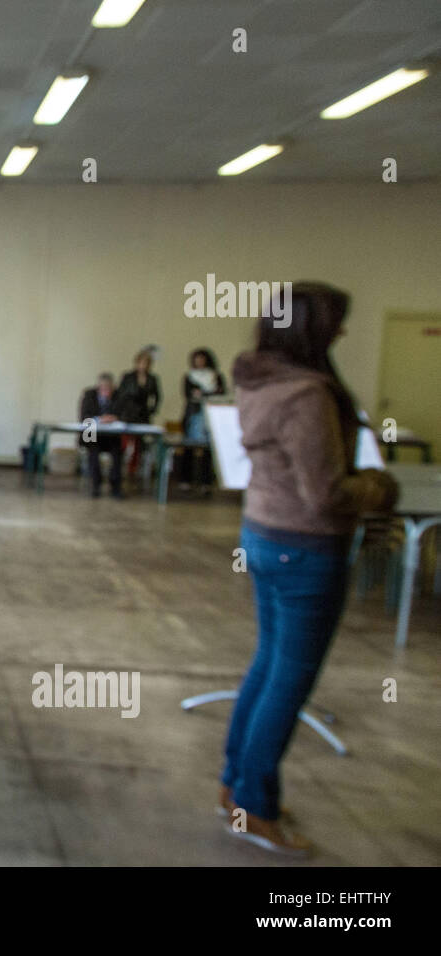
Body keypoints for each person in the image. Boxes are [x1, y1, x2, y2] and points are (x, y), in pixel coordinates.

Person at [218, 282, 399, 857]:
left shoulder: (260, 380)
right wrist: (378, 487)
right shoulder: (307, 394)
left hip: (265, 535)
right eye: (337, 322)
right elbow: (326, 493)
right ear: (312, 329)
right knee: (288, 682)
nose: (343, 331)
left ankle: (237, 786)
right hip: (306, 547)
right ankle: (253, 808)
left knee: (269, 667)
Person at [178, 348, 226, 490]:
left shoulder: (216, 376)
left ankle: (206, 482)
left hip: (210, 415)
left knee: (207, 450)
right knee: (189, 447)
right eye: (197, 359)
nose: (199, 361)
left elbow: (221, 393)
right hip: (193, 414)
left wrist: (203, 393)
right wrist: (208, 393)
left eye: (202, 359)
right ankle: (186, 480)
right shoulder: (189, 376)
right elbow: (189, 395)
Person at [114, 346, 162, 485]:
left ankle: (133, 471)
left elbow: (157, 396)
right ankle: (120, 469)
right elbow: (120, 396)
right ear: (137, 363)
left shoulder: (152, 379)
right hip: (127, 414)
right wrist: (120, 413)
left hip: (143, 415)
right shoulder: (128, 377)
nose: (143, 365)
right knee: (124, 443)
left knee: (138, 445)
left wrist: (153, 409)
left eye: (146, 363)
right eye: (141, 362)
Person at [78, 373, 124, 499]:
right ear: (98, 387)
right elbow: (84, 417)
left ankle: (116, 486)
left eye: (108, 388)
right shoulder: (89, 395)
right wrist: (99, 419)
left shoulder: (118, 396)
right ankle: (95, 485)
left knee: (117, 452)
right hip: (92, 434)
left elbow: (125, 414)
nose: (106, 391)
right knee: (93, 451)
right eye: (103, 388)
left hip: (111, 436)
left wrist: (115, 418)